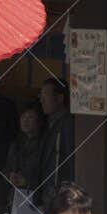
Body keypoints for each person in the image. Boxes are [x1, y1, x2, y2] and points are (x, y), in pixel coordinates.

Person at [35, 77, 75, 206]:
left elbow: (71, 161)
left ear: (59, 98)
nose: (41, 100)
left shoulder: (68, 123)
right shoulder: (49, 124)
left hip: (61, 194)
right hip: (49, 193)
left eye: (45, 95)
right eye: (40, 95)